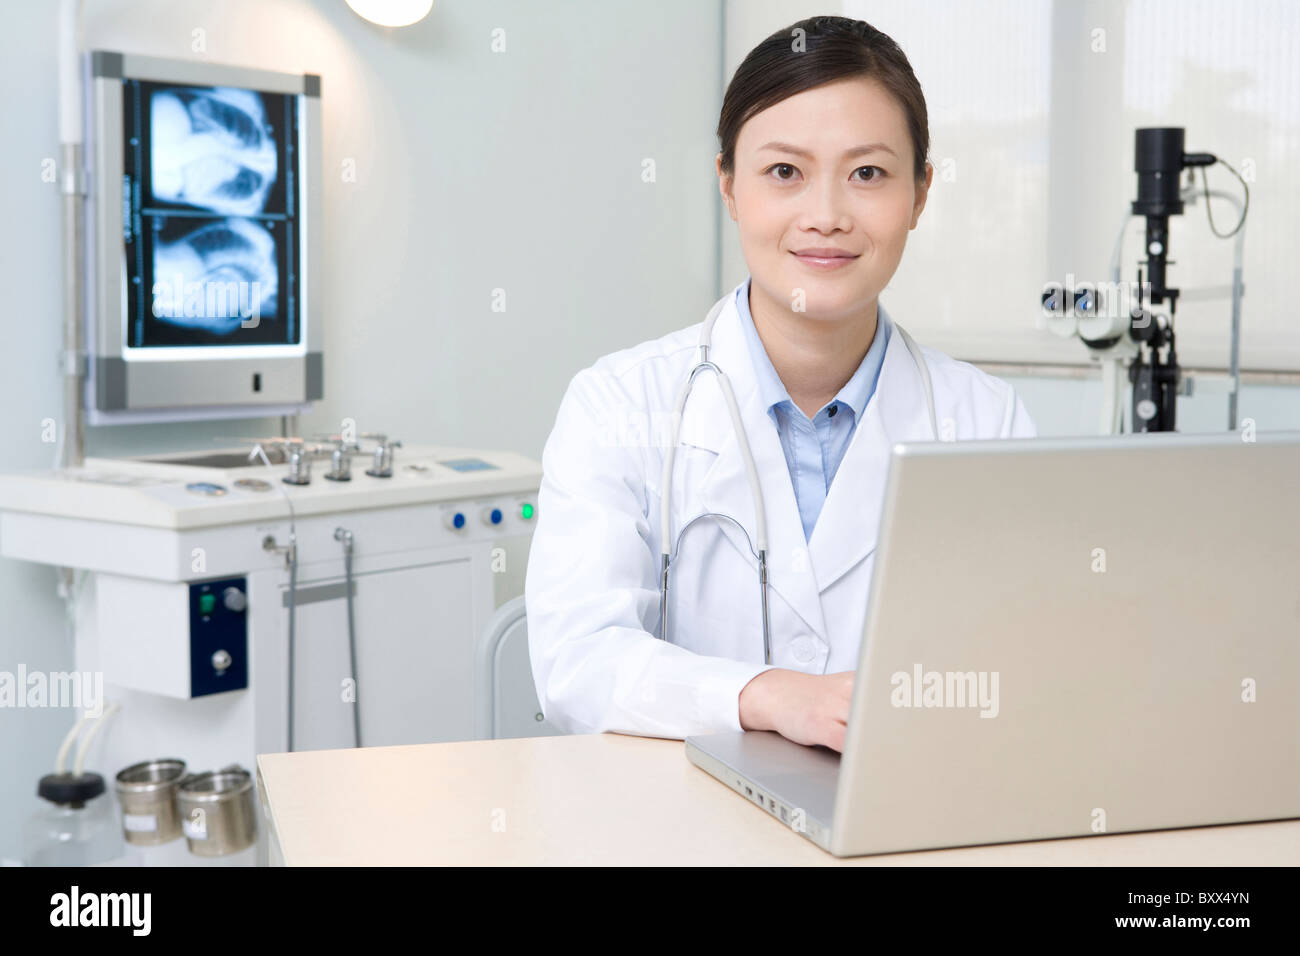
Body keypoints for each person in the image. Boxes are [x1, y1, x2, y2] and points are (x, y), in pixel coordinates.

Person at [525, 16, 1036, 753]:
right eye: (785, 172)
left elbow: (1021, 664)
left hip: (902, 820)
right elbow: (577, 661)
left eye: (868, 173)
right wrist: (763, 695)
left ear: (921, 193)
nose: (826, 217)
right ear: (729, 185)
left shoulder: (986, 421)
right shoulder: (618, 405)